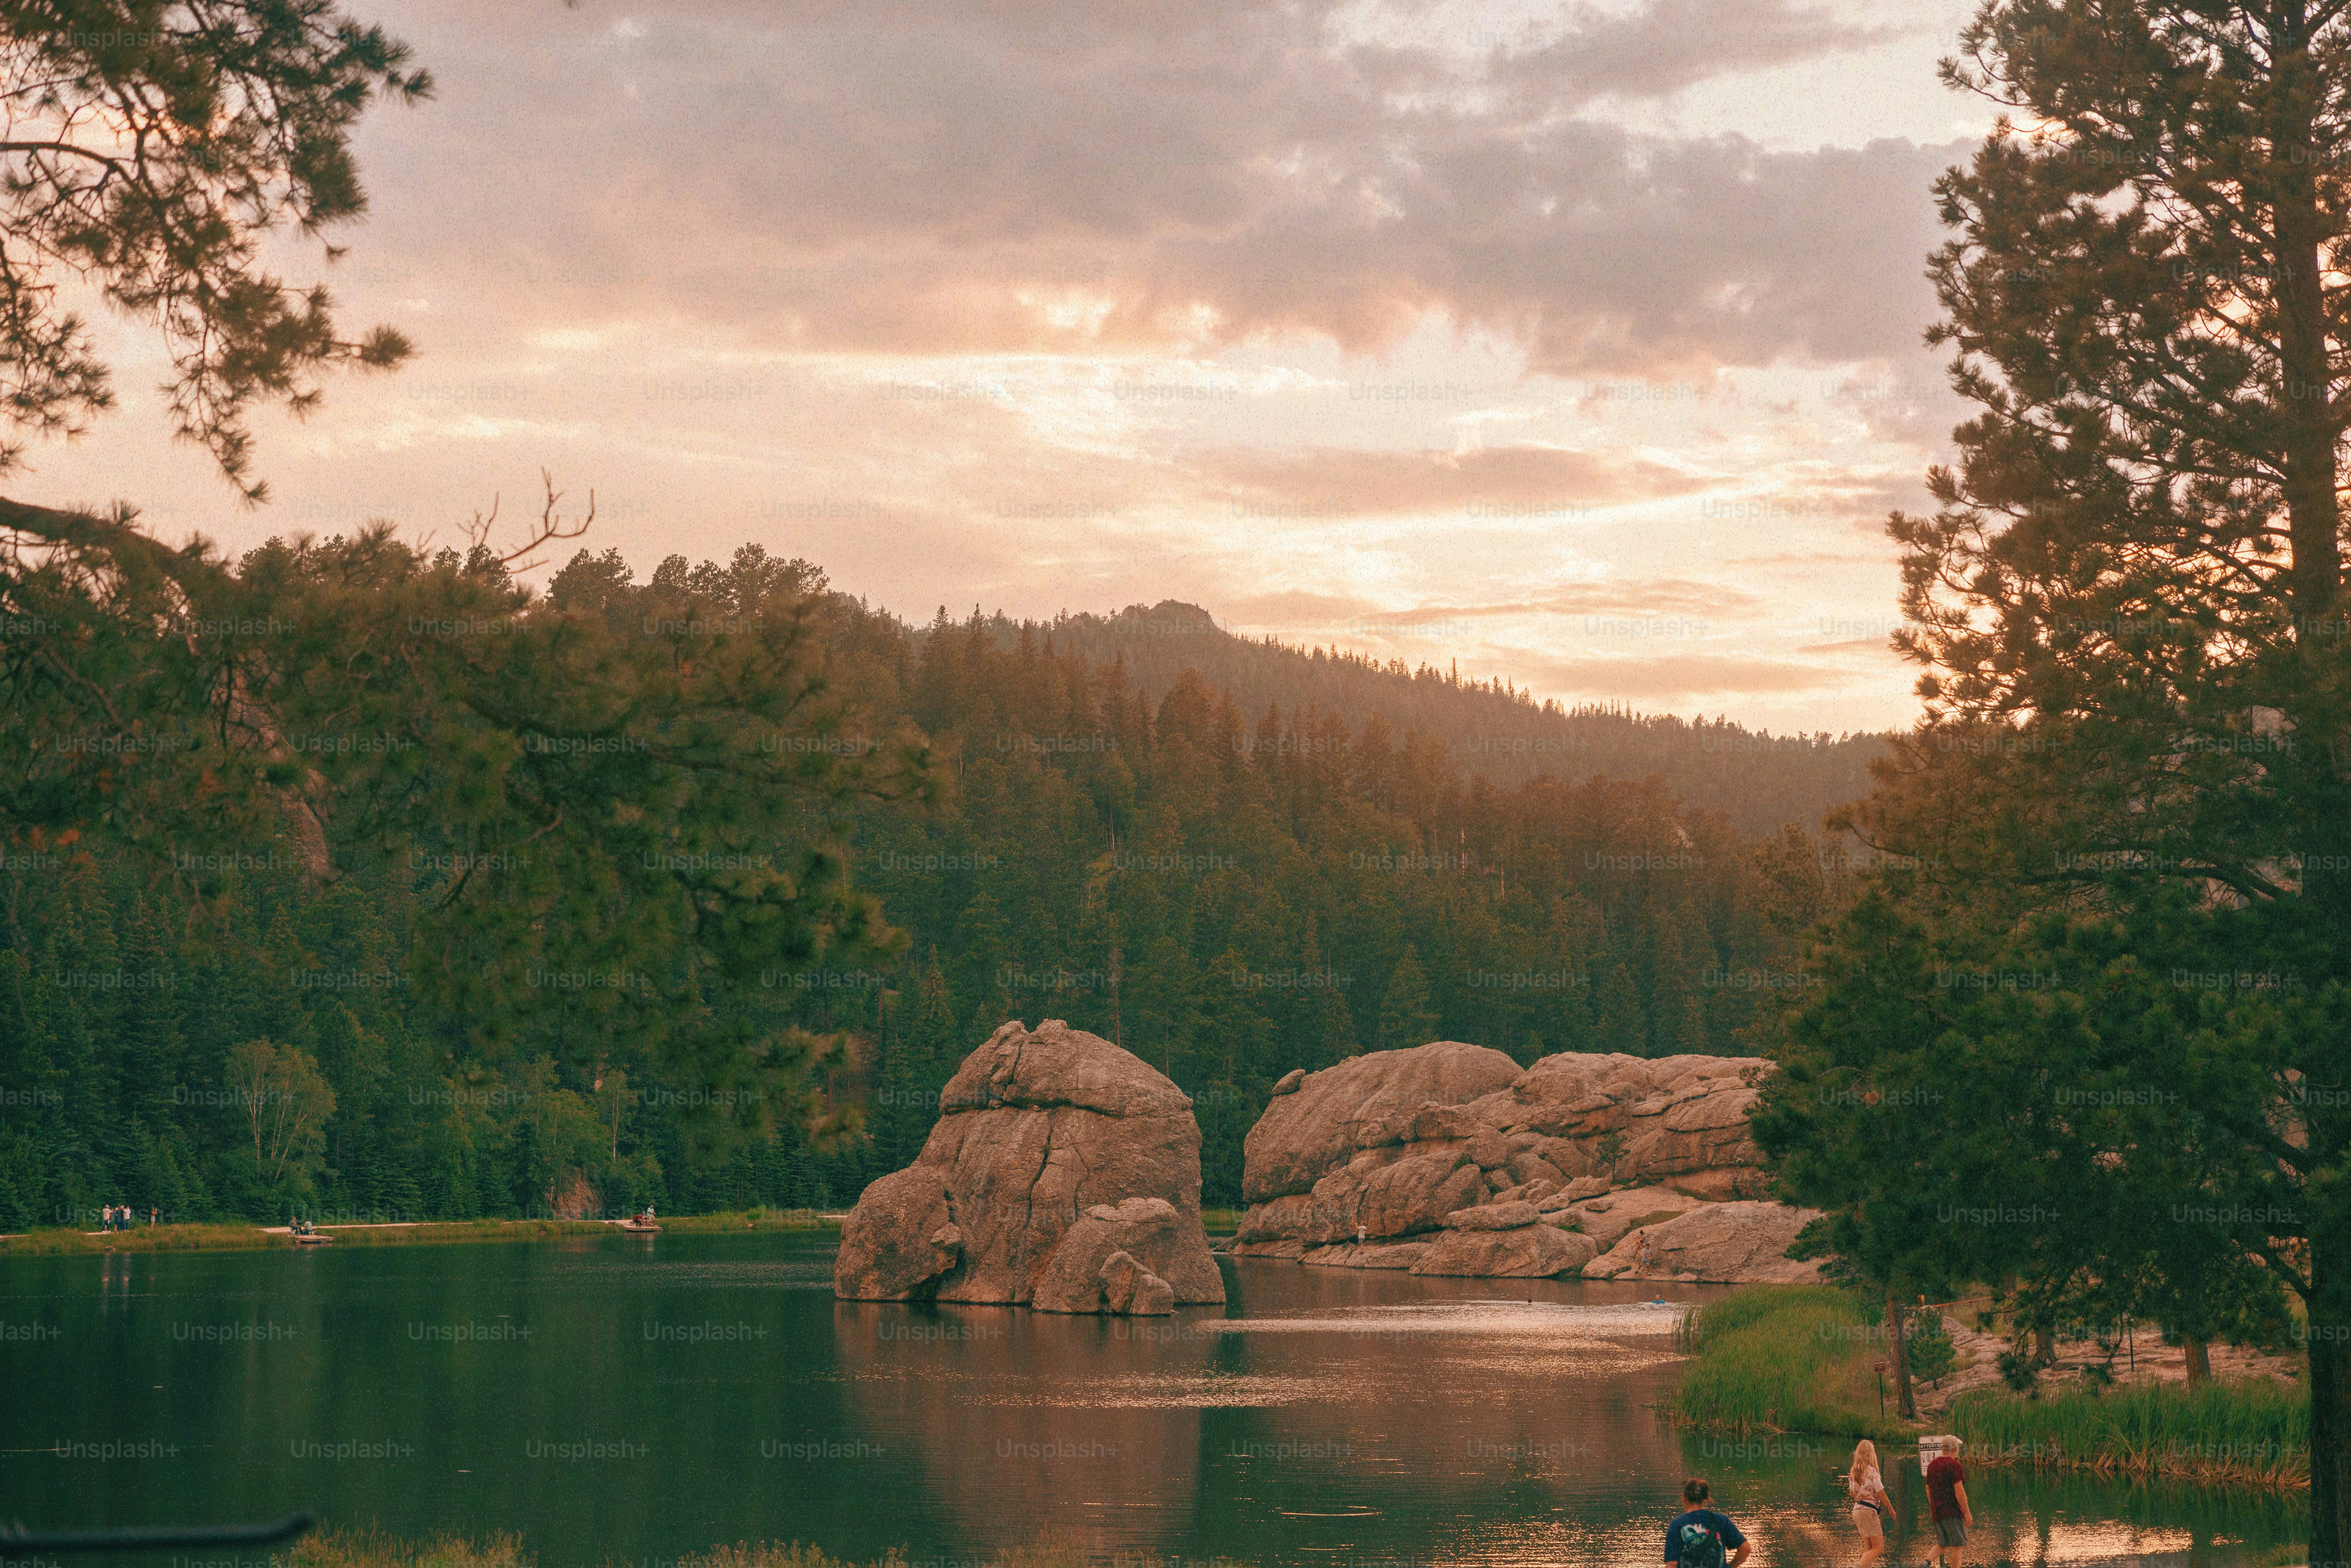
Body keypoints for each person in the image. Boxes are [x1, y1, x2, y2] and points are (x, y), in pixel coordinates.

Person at [1663, 1477, 1749, 1568]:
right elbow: (1746, 1549)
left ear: (1684, 1497)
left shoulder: (1677, 1524)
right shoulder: (1721, 1520)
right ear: (1704, 1499)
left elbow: (1671, 1565)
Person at [1845, 1438, 1895, 1568]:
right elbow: (1881, 1493)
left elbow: (1852, 1494)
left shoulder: (1854, 1471)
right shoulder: (1872, 1471)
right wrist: (1891, 1509)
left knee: (1869, 1549)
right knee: (1879, 1548)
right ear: (1871, 1454)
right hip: (1868, 1512)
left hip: (1857, 1511)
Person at [1925, 1435, 1973, 1566]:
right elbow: (1960, 1490)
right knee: (1957, 1545)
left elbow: (1928, 1488)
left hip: (1938, 1513)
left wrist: (1934, 1507)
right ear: (1956, 1449)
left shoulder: (1932, 1465)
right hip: (1953, 1513)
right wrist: (1967, 1513)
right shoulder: (1955, 1465)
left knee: (1943, 1544)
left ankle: (1925, 1563)